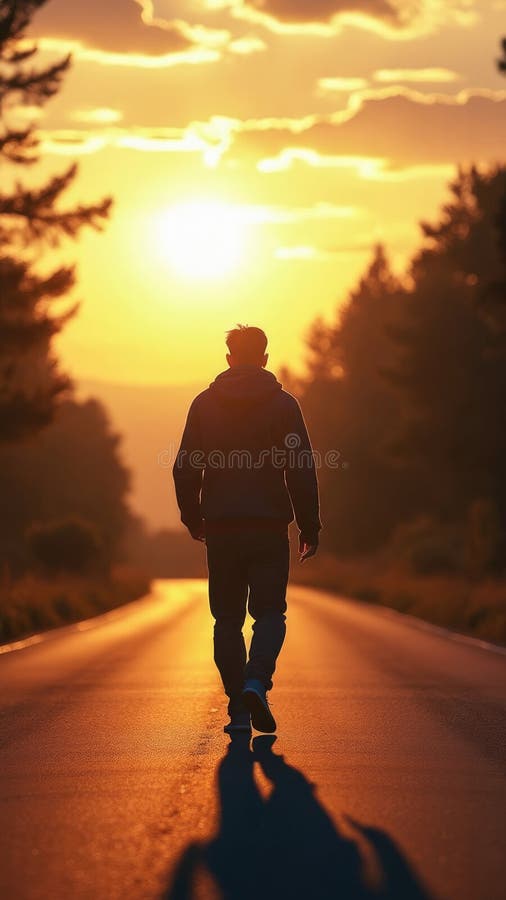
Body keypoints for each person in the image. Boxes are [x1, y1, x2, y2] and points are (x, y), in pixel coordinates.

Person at [173, 325, 321, 735]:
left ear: (228, 359)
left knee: (226, 619)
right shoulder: (284, 405)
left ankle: (238, 708)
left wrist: (194, 519)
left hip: (222, 527)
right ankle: (257, 681)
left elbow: (185, 467)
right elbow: (301, 469)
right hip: (268, 527)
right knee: (270, 612)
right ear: (265, 358)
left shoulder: (204, 405)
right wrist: (309, 526)